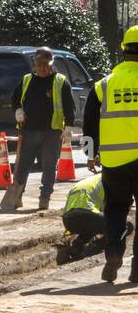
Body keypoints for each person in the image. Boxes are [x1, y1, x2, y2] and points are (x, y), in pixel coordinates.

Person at [83, 25, 138, 282]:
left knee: (116, 209)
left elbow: (89, 122)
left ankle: (114, 252)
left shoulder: (103, 86)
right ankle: (137, 271)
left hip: (114, 161)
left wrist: (89, 154)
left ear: (123, 50)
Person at [10, 47, 75, 212]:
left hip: (52, 131)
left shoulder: (60, 82)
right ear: (35, 64)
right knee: (23, 165)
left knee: (48, 166)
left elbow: (69, 106)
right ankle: (17, 196)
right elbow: (15, 98)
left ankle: (44, 197)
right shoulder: (26, 80)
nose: (42, 68)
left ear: (51, 64)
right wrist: (18, 110)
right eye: (39, 65)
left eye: (45, 65)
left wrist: (68, 126)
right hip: (29, 130)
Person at [59, 173, 131, 262]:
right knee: (126, 225)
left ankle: (76, 248)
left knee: (94, 223)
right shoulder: (110, 181)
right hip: (87, 215)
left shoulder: (90, 181)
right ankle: (93, 248)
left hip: (68, 220)